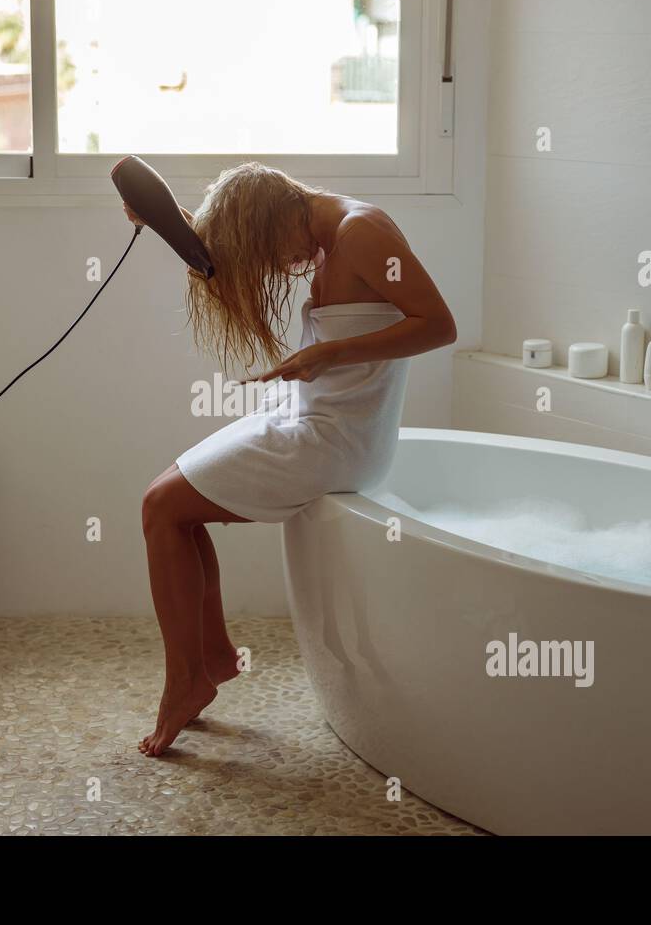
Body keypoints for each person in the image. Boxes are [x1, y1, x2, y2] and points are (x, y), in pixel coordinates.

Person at [127, 163, 456, 756]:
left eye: (268, 250)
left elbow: (438, 325)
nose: (277, 267)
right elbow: (191, 226)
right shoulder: (322, 233)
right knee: (168, 502)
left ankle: (188, 680)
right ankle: (213, 658)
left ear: (283, 216)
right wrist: (161, 222)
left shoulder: (362, 232)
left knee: (162, 507)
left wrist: (332, 352)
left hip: (339, 439)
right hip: (306, 415)